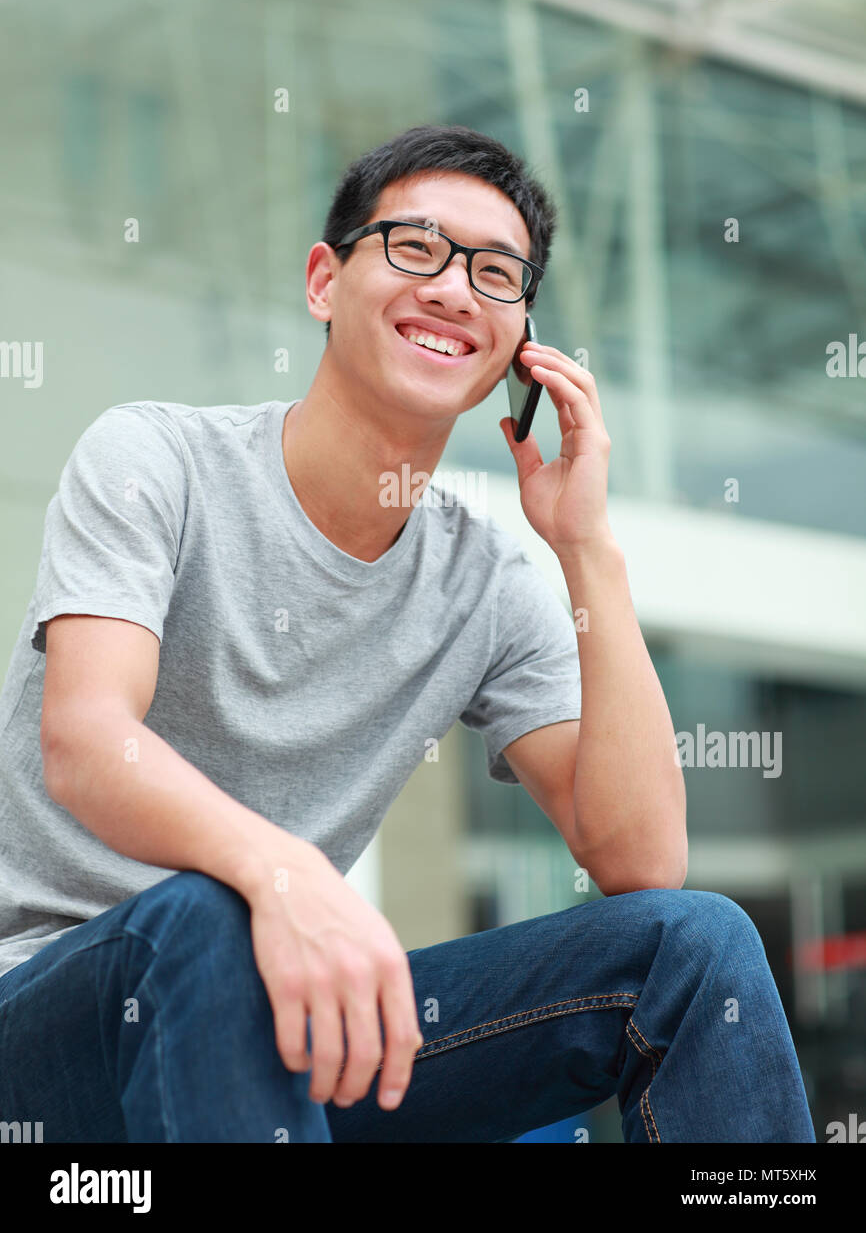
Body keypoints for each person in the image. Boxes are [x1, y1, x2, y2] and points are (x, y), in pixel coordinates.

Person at [0, 124, 814, 1143]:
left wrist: (586, 547)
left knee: (689, 941)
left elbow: (638, 857)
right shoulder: (153, 460)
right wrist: (280, 872)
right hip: (51, 1020)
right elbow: (86, 740)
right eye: (414, 247)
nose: (452, 287)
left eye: (494, 271)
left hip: (294, 1024)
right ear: (322, 282)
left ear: (517, 348)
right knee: (213, 919)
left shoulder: (488, 579)